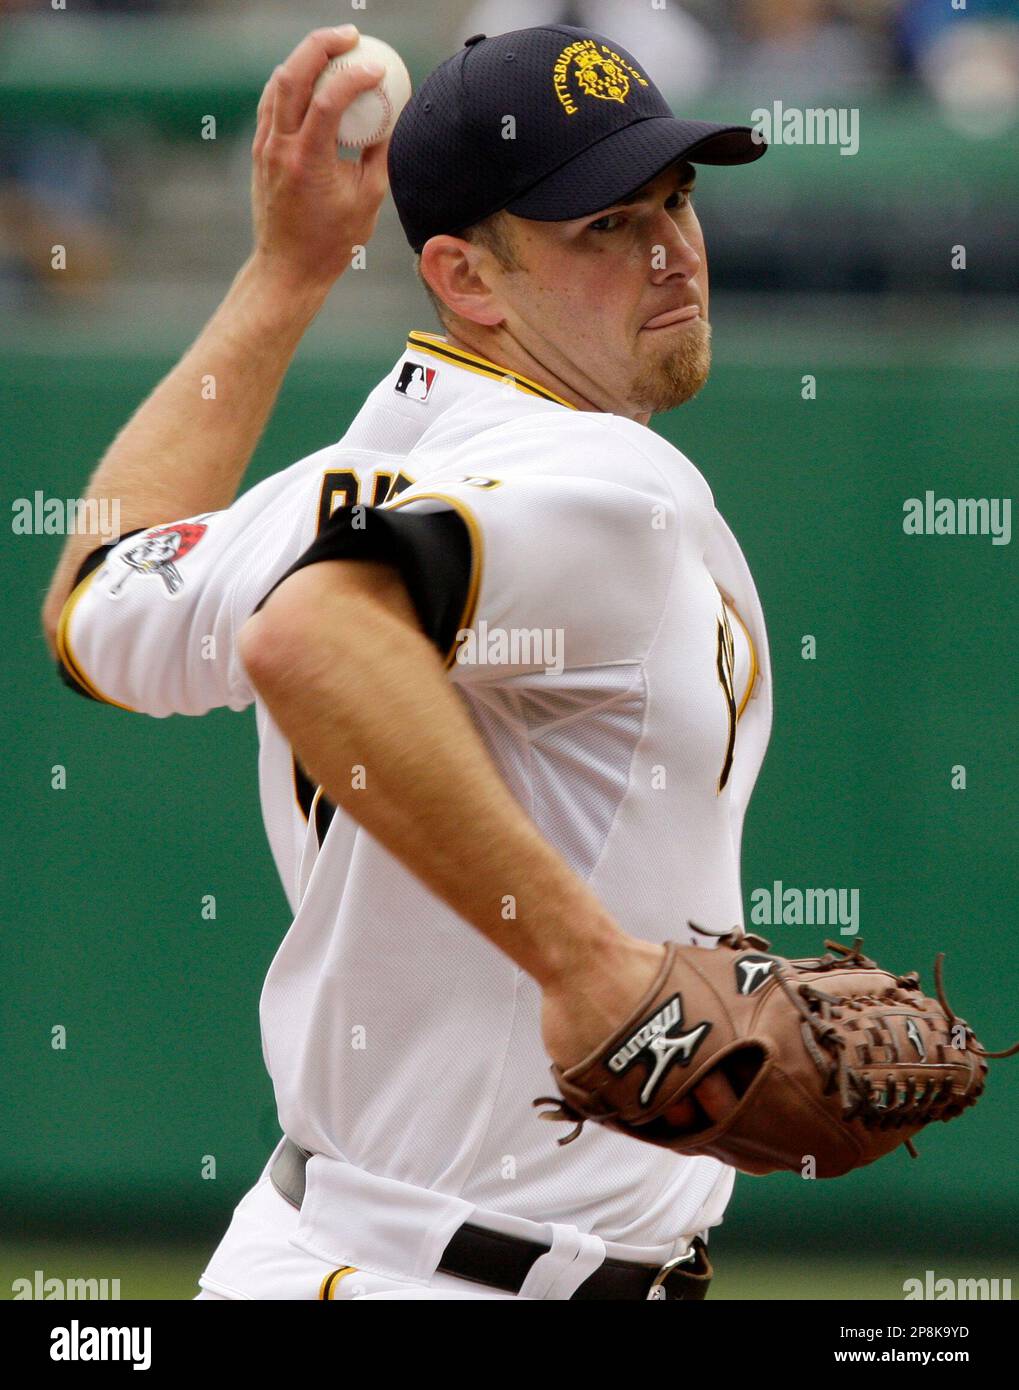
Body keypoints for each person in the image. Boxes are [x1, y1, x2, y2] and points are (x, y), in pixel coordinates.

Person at [42, 22, 771, 1301]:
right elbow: (310, 637)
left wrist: (282, 274)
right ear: (466, 279)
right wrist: (581, 960)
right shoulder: (615, 476)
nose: (670, 251)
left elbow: (96, 592)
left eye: (675, 197)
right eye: (603, 224)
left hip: (324, 1246)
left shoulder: (325, 490)